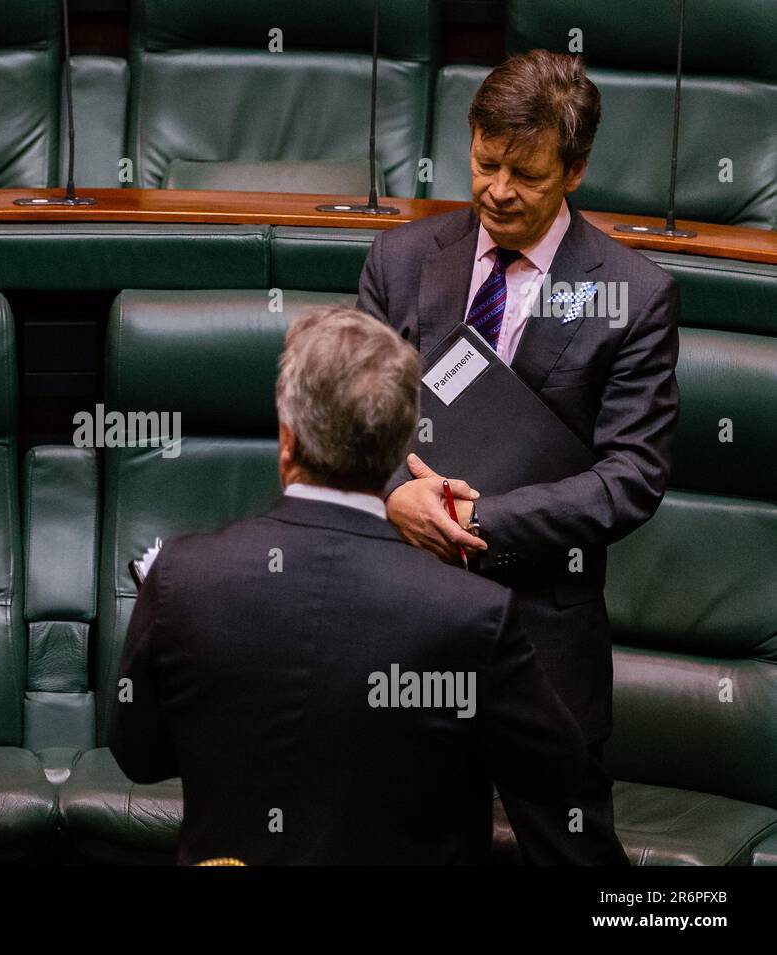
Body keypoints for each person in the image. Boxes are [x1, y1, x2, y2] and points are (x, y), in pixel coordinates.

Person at [108, 307, 589, 865]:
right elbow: (557, 771)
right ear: (396, 450)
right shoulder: (471, 613)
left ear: (287, 441)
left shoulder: (181, 579)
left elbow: (137, 756)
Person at [357, 50, 680, 865]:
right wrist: (396, 491)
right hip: (410, 622)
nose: (498, 189)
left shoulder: (631, 294)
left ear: (575, 169)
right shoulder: (399, 263)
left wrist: (479, 519)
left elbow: (631, 477)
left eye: (526, 174)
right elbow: (354, 418)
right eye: (485, 162)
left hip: (544, 640)